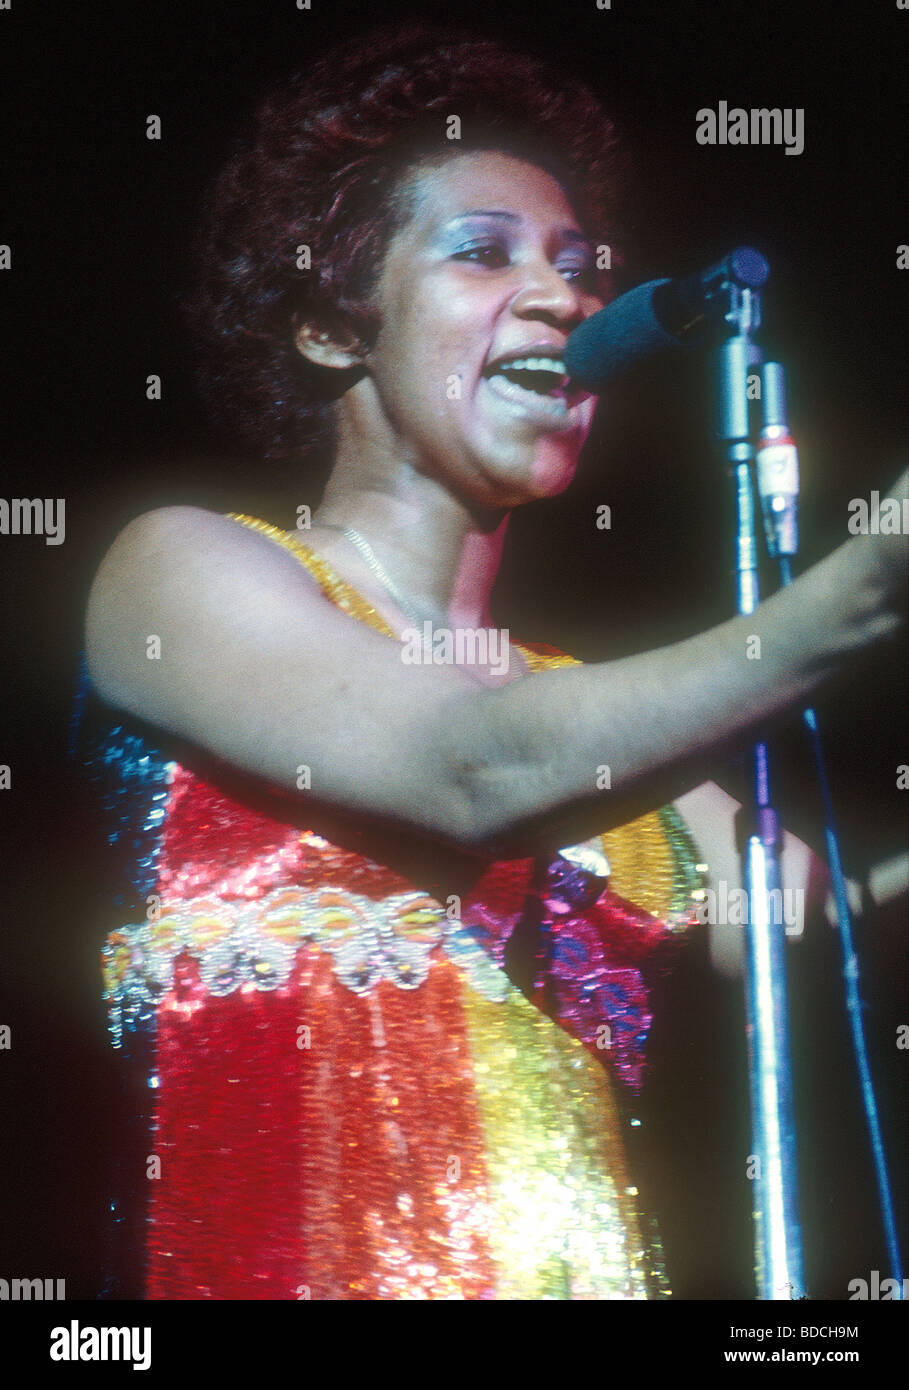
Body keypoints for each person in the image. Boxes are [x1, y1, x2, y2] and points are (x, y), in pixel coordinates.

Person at [77, 26, 906, 1299]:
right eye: (484, 252)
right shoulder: (186, 569)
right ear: (324, 328)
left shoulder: (575, 702)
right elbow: (466, 772)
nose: (564, 299)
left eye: (579, 269)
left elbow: (816, 922)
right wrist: (869, 585)